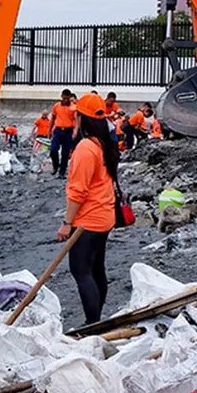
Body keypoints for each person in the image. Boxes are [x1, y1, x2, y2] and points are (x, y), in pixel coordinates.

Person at [57, 93, 120, 325]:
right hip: (104, 216)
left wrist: (67, 223)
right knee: (96, 269)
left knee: (81, 270)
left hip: (88, 221)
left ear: (83, 119)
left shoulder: (86, 148)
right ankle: (96, 319)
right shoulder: (103, 144)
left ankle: (92, 323)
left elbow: (78, 191)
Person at [49, 89, 76, 178]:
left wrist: (75, 131)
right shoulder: (56, 106)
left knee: (65, 153)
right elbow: (53, 118)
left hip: (68, 131)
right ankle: (55, 165)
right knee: (53, 149)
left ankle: (62, 173)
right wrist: (49, 130)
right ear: (61, 96)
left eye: (67, 99)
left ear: (69, 98)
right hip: (58, 130)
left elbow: (77, 120)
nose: (65, 100)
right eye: (64, 98)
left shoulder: (73, 107)